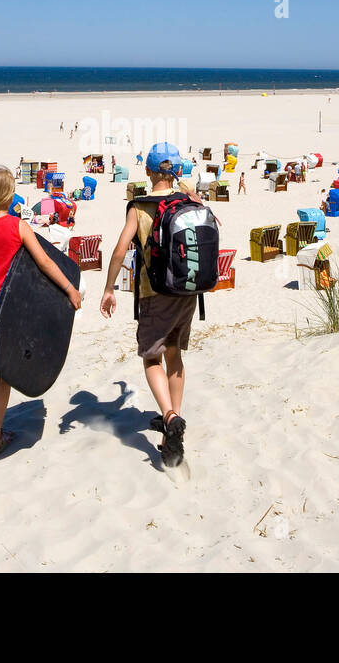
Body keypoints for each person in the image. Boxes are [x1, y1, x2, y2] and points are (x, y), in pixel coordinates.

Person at [0, 165, 80, 457]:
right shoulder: (17, 226)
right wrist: (69, 288)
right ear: (9, 195)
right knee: (7, 368)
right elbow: (44, 263)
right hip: (8, 305)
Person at [99, 143, 199, 467]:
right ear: (176, 170)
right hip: (187, 291)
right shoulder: (189, 199)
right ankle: (174, 426)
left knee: (151, 357)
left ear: (148, 171)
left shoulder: (139, 207)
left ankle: (170, 418)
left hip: (155, 293)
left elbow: (119, 250)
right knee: (175, 354)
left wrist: (109, 288)